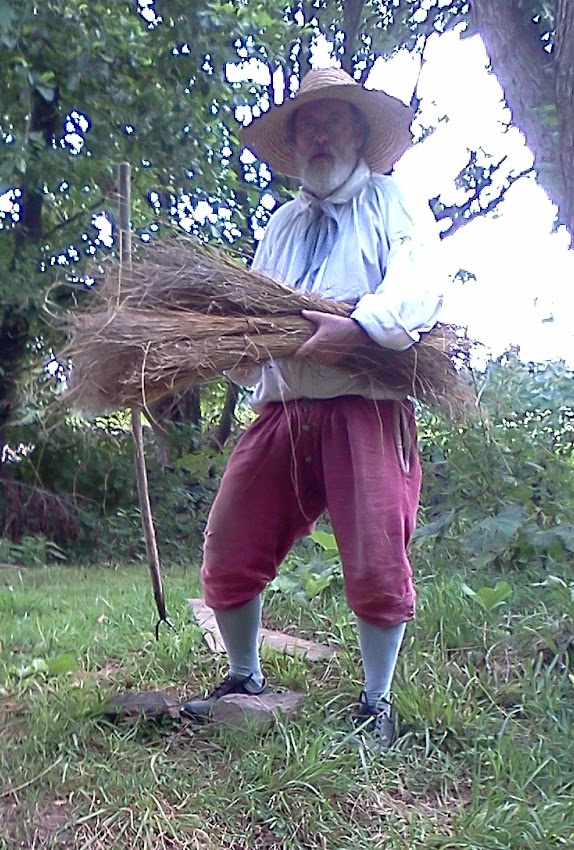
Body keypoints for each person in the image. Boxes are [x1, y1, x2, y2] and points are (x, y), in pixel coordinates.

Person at [182, 66, 444, 750]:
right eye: (307, 125)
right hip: (285, 409)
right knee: (230, 538)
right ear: (295, 143)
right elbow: (251, 320)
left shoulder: (394, 205)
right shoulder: (281, 226)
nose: (319, 135)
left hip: (365, 406)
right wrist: (226, 348)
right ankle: (243, 679)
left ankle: (376, 705)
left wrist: (358, 329)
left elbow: (420, 286)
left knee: (377, 555)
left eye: (333, 121)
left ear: (359, 132)